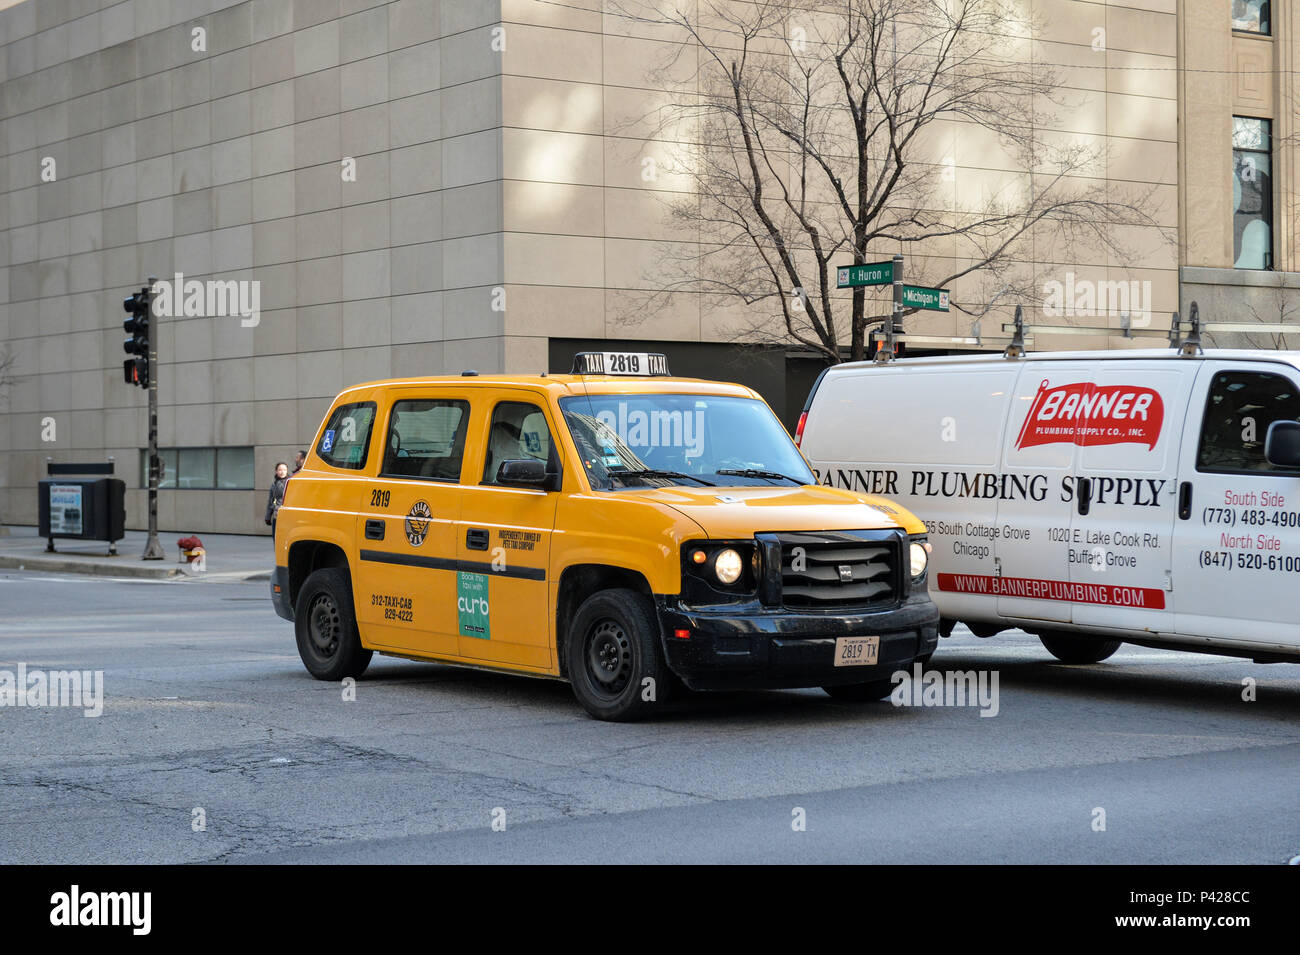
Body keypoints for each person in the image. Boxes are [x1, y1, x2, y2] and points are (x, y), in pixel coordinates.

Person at [265, 462, 289, 535]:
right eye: (280, 470)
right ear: (276, 471)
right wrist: (268, 516)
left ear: (287, 471)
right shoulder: (274, 483)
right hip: (276, 515)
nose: (282, 472)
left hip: (287, 516)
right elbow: (271, 501)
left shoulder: (290, 482)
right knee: (276, 538)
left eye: (284, 470)